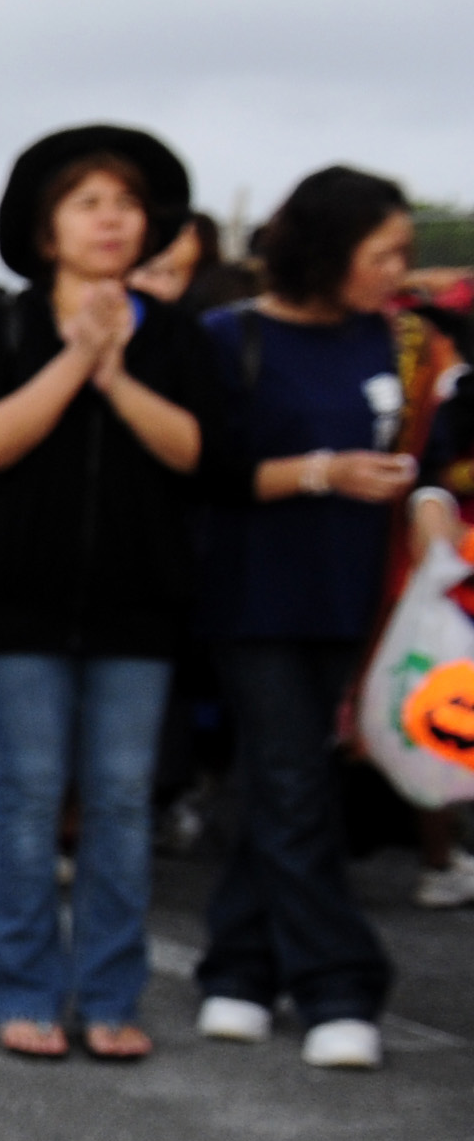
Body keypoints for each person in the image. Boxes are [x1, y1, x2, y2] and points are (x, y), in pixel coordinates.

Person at [0, 125, 221, 1062]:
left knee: (123, 799)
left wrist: (119, 369)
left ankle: (109, 994)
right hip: (16, 599)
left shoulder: (178, 333)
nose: (111, 220)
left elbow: (196, 453)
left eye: (126, 205)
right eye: (88, 203)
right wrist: (71, 359)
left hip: (139, 603)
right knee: (28, 795)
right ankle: (24, 988)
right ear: (47, 230)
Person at [192, 167, 420, 1069]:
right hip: (255, 596)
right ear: (327, 250)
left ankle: (239, 970)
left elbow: (423, 450)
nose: (400, 270)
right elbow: (205, 473)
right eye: (384, 253)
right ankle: (338, 985)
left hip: (356, 592)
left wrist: (425, 500)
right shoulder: (228, 337)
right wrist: (322, 472)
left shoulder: (391, 338)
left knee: (278, 783)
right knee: (292, 782)